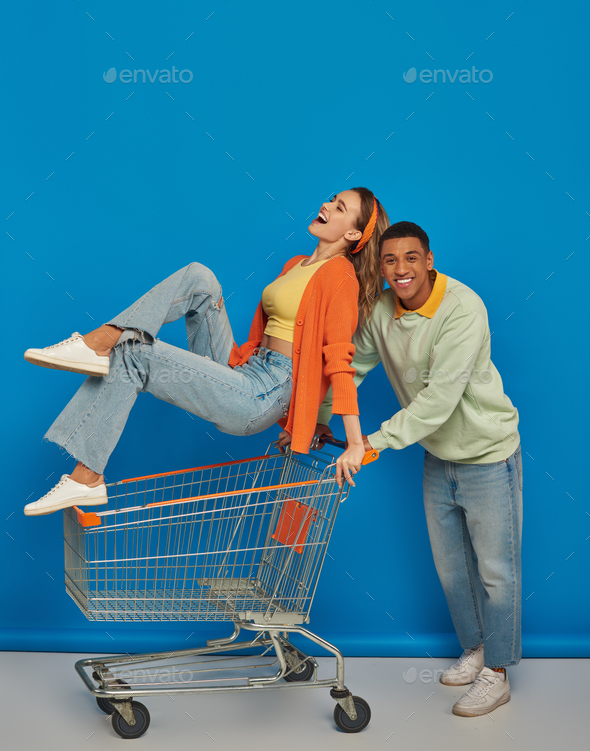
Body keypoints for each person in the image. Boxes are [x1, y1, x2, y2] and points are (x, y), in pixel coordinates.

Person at [23, 187, 390, 516]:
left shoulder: (341, 277)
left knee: (131, 351)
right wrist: (309, 423)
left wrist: (354, 442)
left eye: (339, 207)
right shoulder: (295, 265)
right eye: (331, 199)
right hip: (246, 372)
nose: (326, 204)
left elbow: (337, 360)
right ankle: (87, 470)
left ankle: (97, 345)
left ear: (353, 234)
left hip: (262, 393)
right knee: (200, 278)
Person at [316, 221, 522, 717]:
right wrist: (313, 423)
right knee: (452, 571)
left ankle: (498, 672)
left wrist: (369, 445)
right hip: (438, 458)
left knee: (496, 572)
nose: (401, 269)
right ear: (382, 267)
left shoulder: (463, 308)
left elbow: (439, 401)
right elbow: (353, 369)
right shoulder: (383, 311)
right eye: (391, 261)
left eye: (411, 258)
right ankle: (477, 649)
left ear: (428, 260)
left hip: (487, 454)